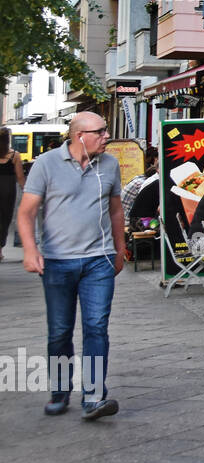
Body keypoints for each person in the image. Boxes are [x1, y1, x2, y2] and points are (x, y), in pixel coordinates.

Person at [17, 112, 126, 420]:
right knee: (60, 331)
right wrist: (29, 250)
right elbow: (26, 213)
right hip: (57, 262)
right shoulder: (46, 164)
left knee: (96, 327)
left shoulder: (110, 165)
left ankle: (93, 396)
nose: (107, 136)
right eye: (101, 131)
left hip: (99, 261)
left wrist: (120, 249)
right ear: (80, 135)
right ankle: (60, 390)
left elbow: (116, 211)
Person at [0, 126, 26, 260]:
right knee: (5, 219)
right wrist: (26, 192)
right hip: (8, 190)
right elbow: (20, 177)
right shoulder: (15, 155)